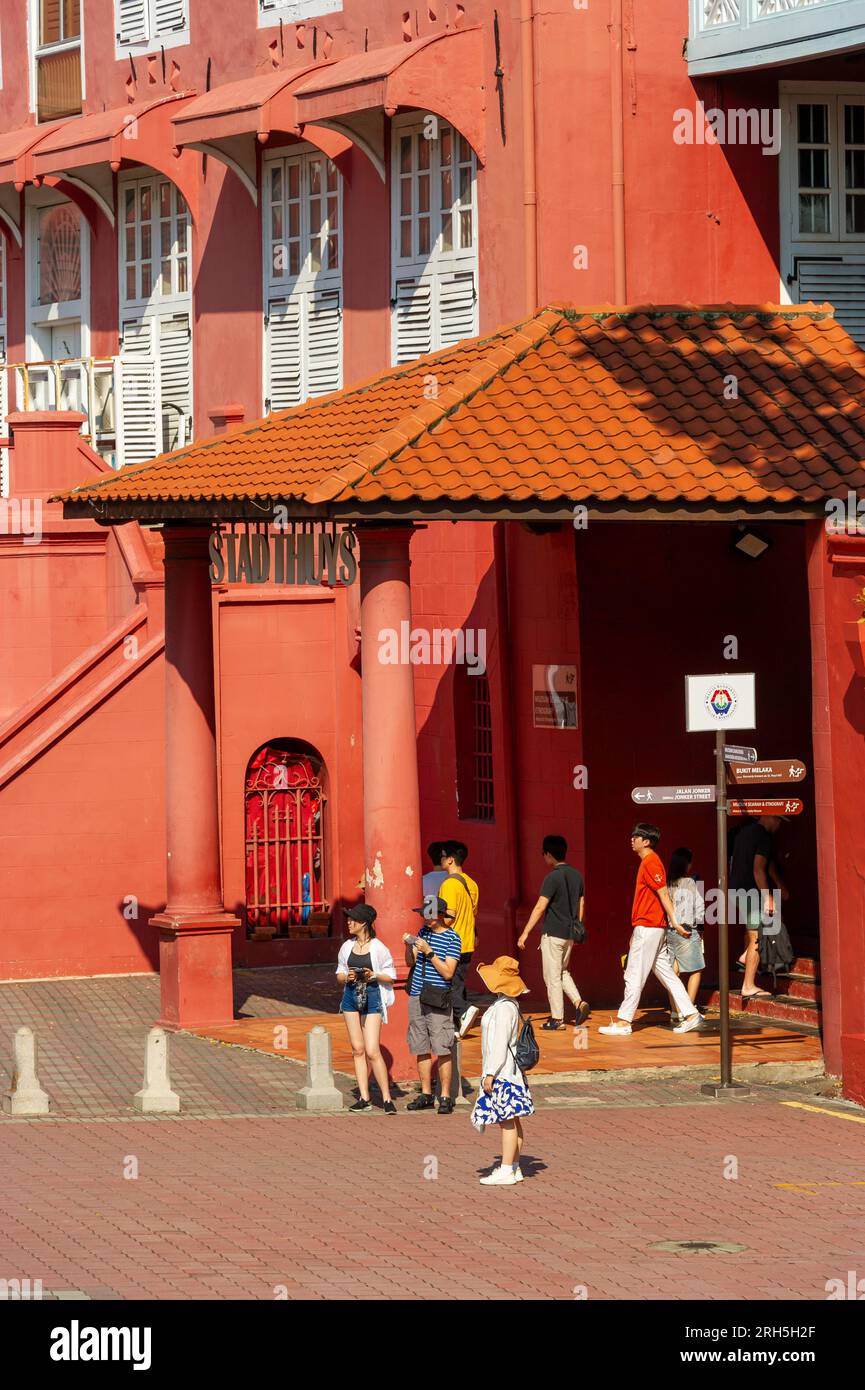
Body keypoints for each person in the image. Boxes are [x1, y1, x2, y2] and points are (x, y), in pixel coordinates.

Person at [599, 824, 702, 1036]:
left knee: (634, 973)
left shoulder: (651, 862)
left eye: (636, 836)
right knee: (667, 974)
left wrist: (674, 922)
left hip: (649, 926)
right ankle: (691, 1015)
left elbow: (664, 894)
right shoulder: (649, 862)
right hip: (649, 926)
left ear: (646, 841)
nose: (632, 838)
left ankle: (623, 1021)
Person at [472, 956, 535, 1186]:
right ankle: (514, 1167)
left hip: (503, 1074)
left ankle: (507, 1168)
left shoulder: (503, 1009)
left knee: (506, 1121)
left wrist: (490, 1073)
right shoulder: (509, 1005)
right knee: (513, 1121)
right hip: (511, 1073)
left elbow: (498, 1045)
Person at [516, 834, 590, 1030]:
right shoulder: (577, 875)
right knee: (562, 971)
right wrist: (577, 924)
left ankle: (557, 1019)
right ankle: (578, 1002)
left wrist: (525, 933)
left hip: (553, 933)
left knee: (552, 977)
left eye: (543, 854)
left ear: (549, 854)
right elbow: (581, 903)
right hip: (570, 934)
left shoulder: (552, 877)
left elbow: (540, 906)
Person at [402, 896, 462, 1114]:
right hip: (417, 995)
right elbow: (411, 962)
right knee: (420, 1046)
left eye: (426, 914)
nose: (423, 917)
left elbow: (448, 972)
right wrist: (409, 947)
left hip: (437, 997)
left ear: (439, 915)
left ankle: (445, 1095)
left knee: (442, 1047)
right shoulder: (423, 932)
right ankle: (426, 1093)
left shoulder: (453, 938)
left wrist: (429, 952)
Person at [335, 904, 397, 1113]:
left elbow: (390, 975)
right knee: (357, 1049)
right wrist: (347, 976)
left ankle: (387, 1098)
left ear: (363, 923)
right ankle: (364, 1097)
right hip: (351, 996)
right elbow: (339, 974)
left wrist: (374, 975)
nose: (349, 922)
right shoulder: (347, 946)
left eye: (352, 919)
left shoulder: (379, 948)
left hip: (372, 996)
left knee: (372, 1049)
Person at [730, 814, 786, 1000]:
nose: (779, 825)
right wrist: (768, 896)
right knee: (757, 938)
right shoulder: (764, 836)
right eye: (779, 820)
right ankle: (748, 985)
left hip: (736, 890)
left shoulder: (744, 832)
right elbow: (758, 868)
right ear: (769, 816)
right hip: (751, 892)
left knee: (752, 931)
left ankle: (746, 959)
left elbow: (762, 864)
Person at [438, 840, 480, 1037]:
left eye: (443, 856)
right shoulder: (472, 883)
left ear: (451, 860)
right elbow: (473, 913)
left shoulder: (449, 884)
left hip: (450, 942)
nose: (440, 859)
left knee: (450, 984)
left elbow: (449, 916)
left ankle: (464, 1012)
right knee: (459, 982)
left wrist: (435, 924)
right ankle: (458, 1024)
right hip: (467, 941)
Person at [664, 847, 706, 1025]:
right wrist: (701, 929)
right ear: (686, 864)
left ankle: (675, 1011)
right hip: (687, 931)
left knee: (672, 973)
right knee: (696, 969)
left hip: (669, 931)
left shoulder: (667, 883)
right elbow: (700, 907)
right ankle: (689, 1009)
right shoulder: (689, 883)